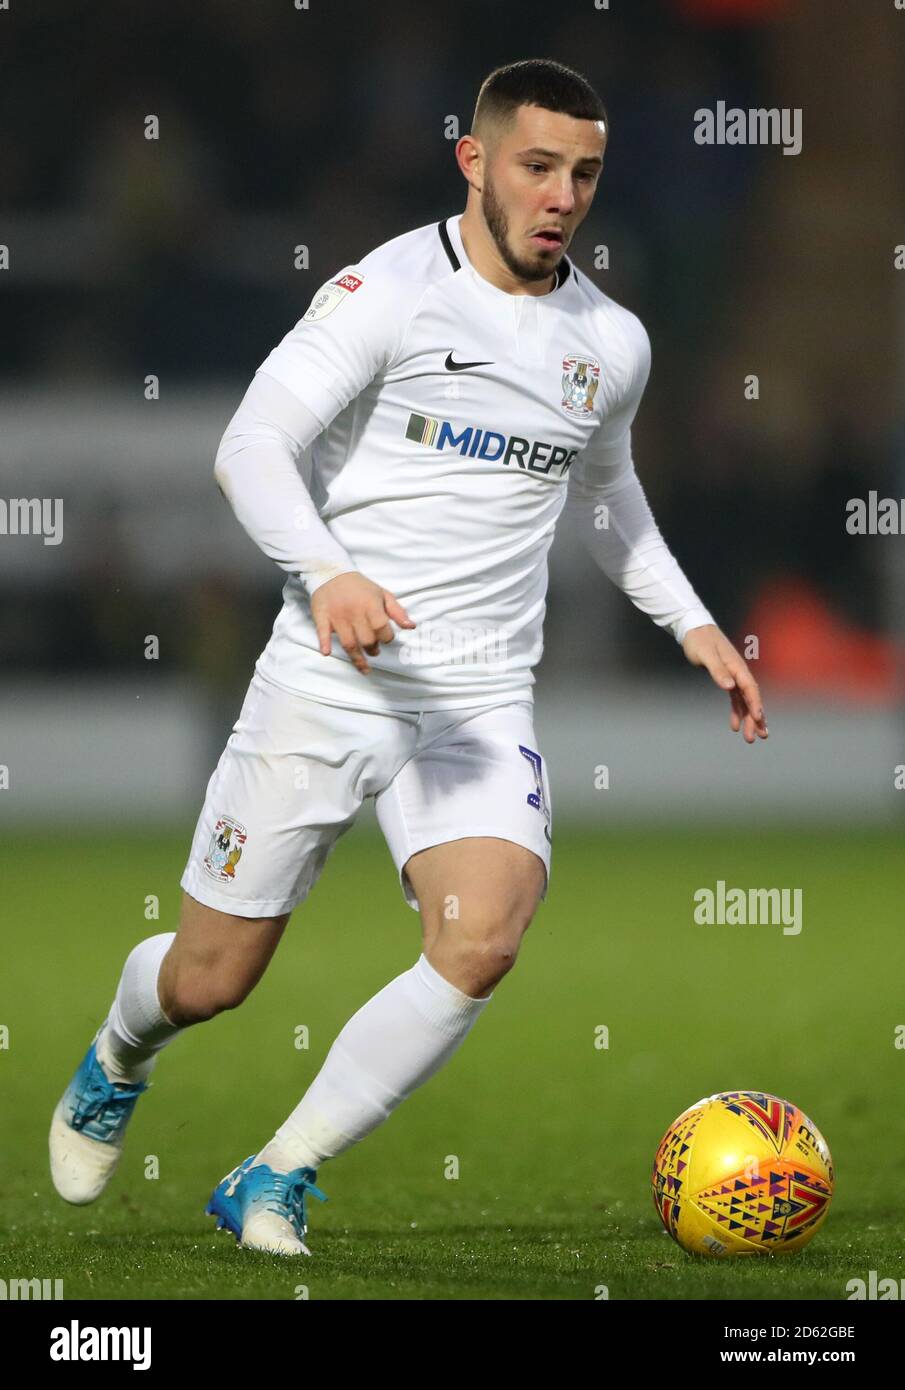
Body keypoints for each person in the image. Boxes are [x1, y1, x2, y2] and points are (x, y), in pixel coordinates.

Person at [49, 58, 767, 1257]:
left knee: (482, 936)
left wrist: (690, 622)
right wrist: (328, 572)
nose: (561, 196)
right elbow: (252, 445)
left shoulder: (610, 342)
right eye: (536, 166)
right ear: (473, 162)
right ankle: (120, 1051)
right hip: (330, 676)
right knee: (212, 978)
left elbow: (607, 496)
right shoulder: (384, 289)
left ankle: (274, 1173)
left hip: (479, 695)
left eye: (584, 173)